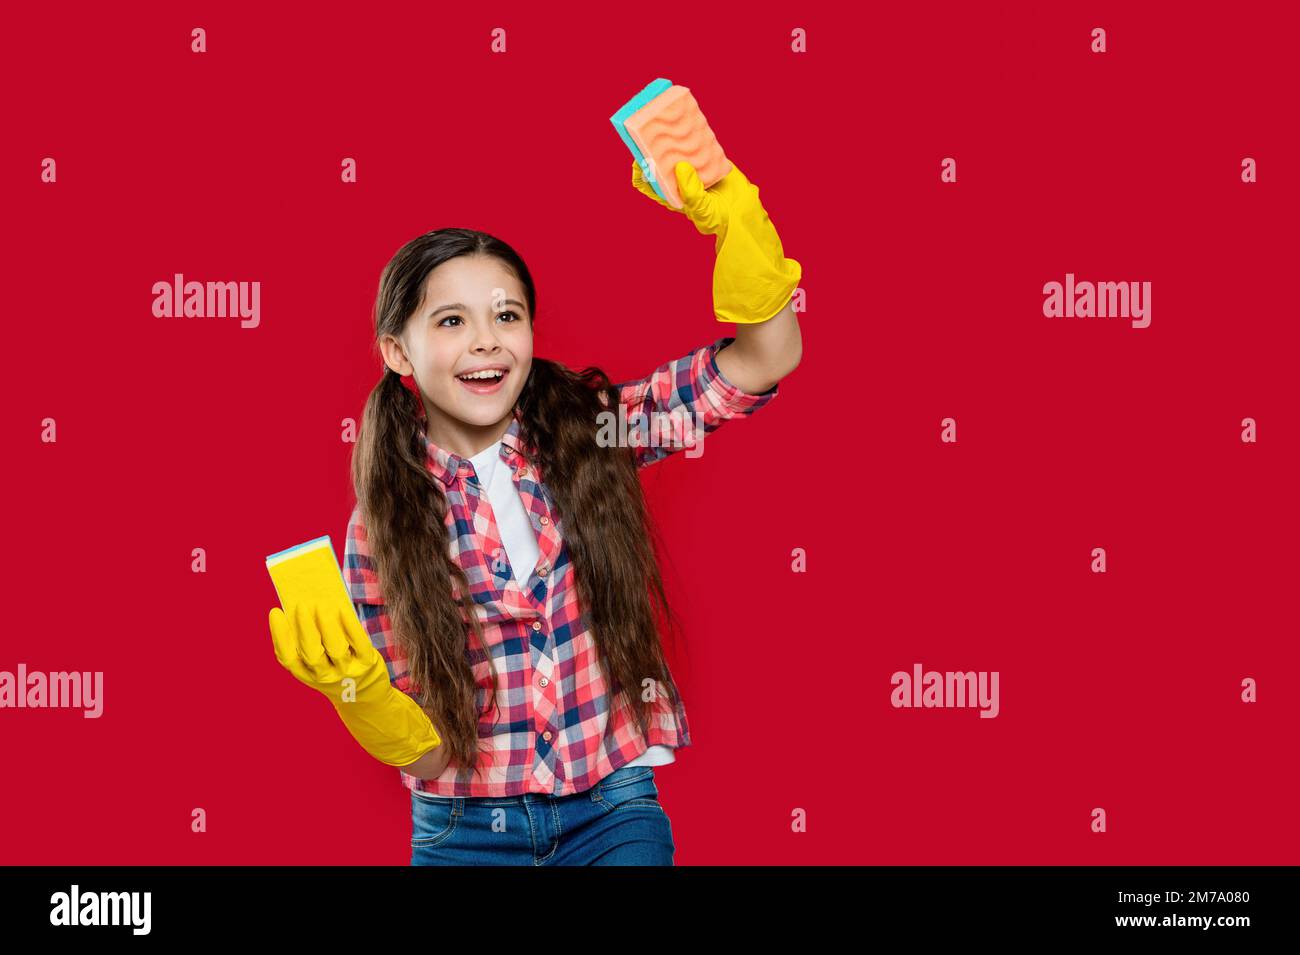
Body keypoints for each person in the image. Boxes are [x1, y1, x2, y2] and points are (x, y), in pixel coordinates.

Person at [269, 159, 802, 865]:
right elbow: (428, 757)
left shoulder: (593, 434)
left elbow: (766, 359)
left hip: (612, 809)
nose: (487, 338)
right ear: (399, 350)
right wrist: (359, 692)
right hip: (462, 831)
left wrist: (739, 225)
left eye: (507, 315)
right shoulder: (381, 528)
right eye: (452, 320)